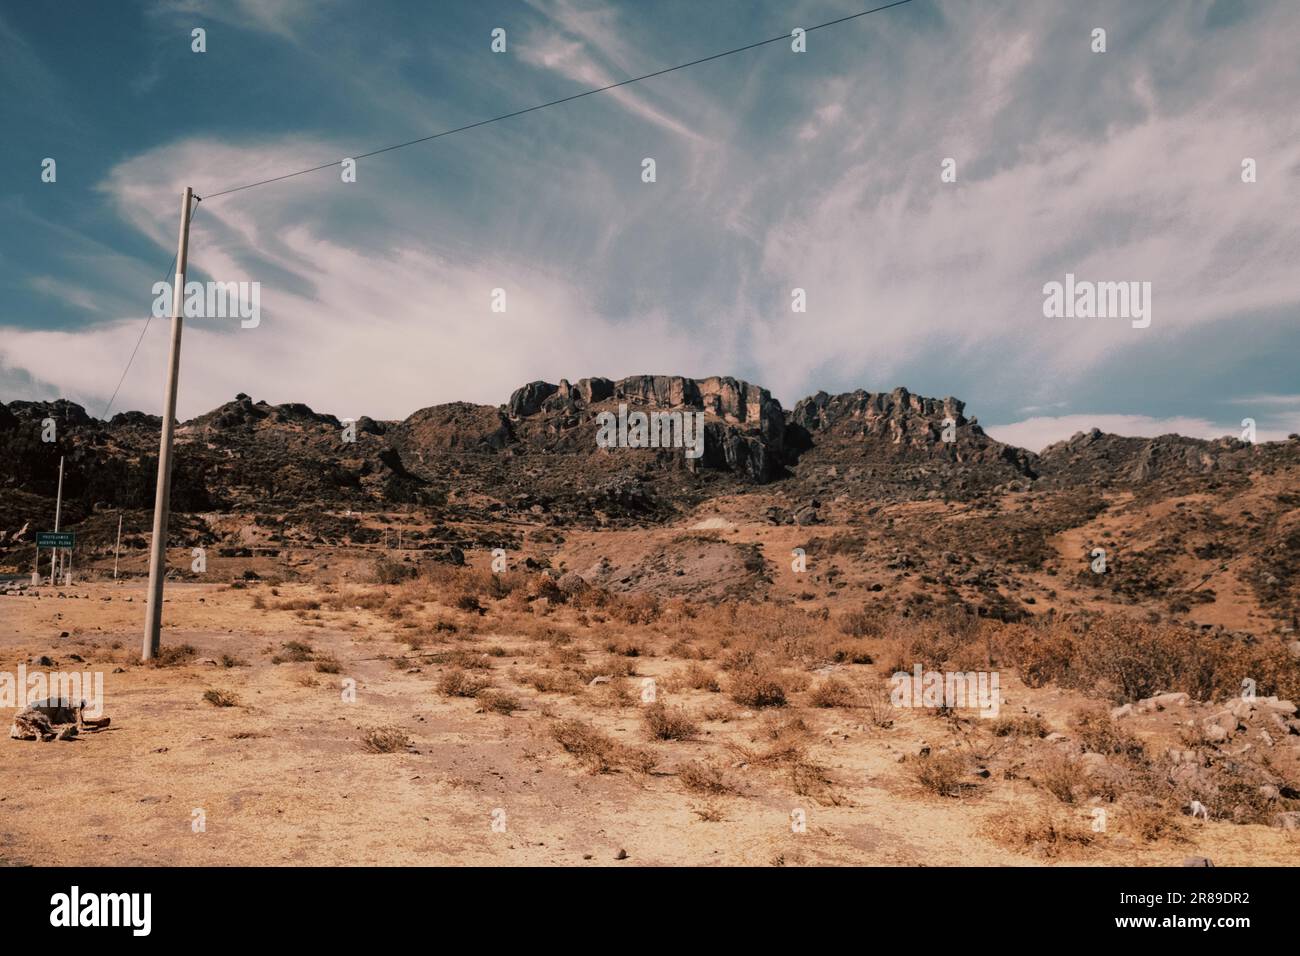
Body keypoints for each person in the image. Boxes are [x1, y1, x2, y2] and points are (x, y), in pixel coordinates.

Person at [9, 697, 110, 741]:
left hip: (22, 720)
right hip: (26, 716)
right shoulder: (69, 704)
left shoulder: (61, 706)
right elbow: (79, 723)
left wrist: (96, 723)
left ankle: (50, 734)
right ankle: (57, 734)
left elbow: (78, 720)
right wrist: (96, 727)